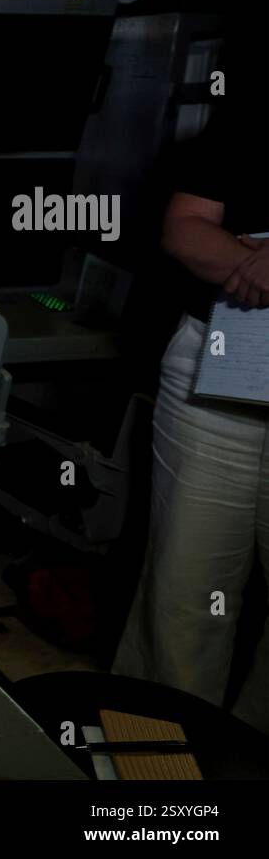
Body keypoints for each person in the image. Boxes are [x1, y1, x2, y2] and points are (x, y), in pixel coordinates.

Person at [113, 101, 269, 735]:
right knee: (185, 587)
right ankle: (159, 766)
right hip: (219, 367)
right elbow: (185, 230)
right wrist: (256, 263)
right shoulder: (248, 123)